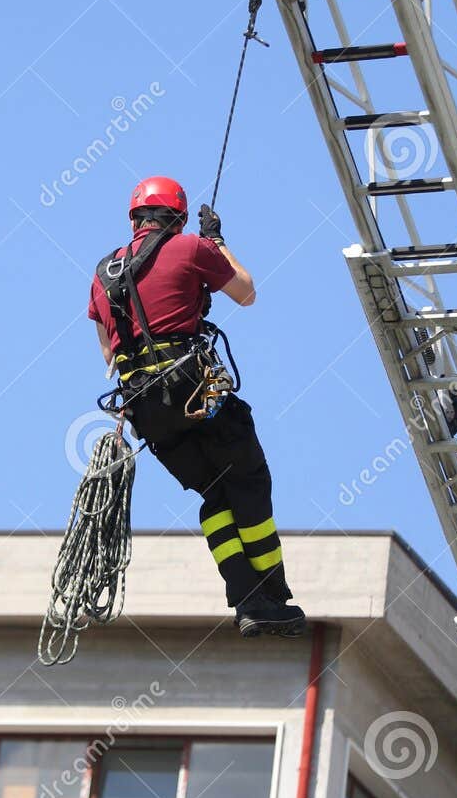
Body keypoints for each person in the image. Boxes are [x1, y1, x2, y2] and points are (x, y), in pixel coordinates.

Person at [88, 175, 306, 639]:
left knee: (217, 497)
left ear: (135, 220)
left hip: (150, 417)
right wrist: (217, 243)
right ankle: (269, 594)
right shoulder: (190, 248)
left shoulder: (103, 273)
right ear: (179, 217)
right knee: (248, 479)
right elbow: (246, 293)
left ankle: (246, 598)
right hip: (195, 397)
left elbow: (109, 354)